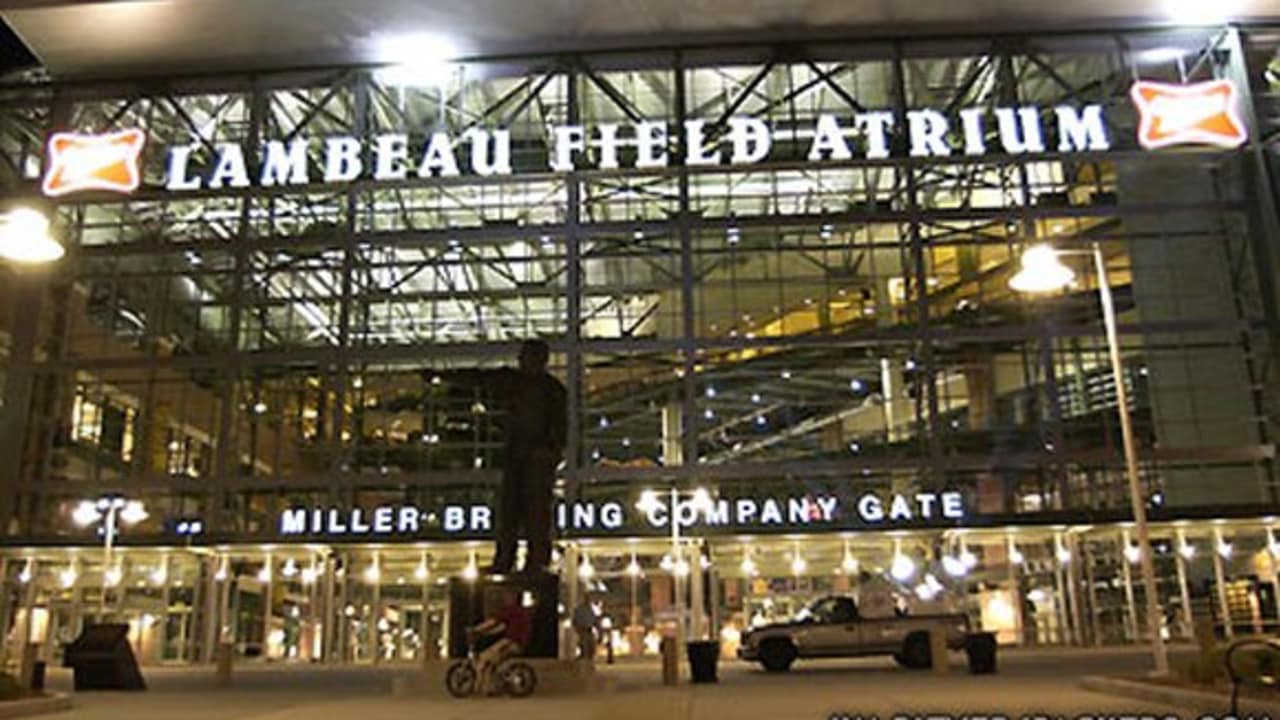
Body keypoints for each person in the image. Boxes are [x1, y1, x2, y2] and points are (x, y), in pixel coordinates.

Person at [488, 339, 568, 575]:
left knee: (536, 513)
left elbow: (561, 426)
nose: (521, 361)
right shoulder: (516, 382)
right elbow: (482, 378)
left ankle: (536, 560)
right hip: (518, 456)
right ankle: (506, 558)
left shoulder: (551, 390)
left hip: (536, 459)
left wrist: (549, 450)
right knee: (510, 511)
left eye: (525, 356)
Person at [469, 589, 532, 695]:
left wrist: (476, 629)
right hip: (518, 643)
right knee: (492, 663)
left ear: (513, 599)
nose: (505, 599)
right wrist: (486, 633)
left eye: (507, 597)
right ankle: (491, 687)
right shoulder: (520, 612)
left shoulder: (511, 610)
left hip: (510, 642)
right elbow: (501, 627)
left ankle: (485, 687)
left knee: (484, 657)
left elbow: (493, 622)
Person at [571, 595, 600, 661]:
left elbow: (595, 620)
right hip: (582, 630)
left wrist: (598, 628)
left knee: (591, 648)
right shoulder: (579, 609)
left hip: (589, 630)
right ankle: (583, 661)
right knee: (584, 647)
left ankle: (588, 662)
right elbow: (575, 621)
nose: (588, 600)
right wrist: (578, 629)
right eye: (588, 599)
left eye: (589, 599)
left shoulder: (591, 610)